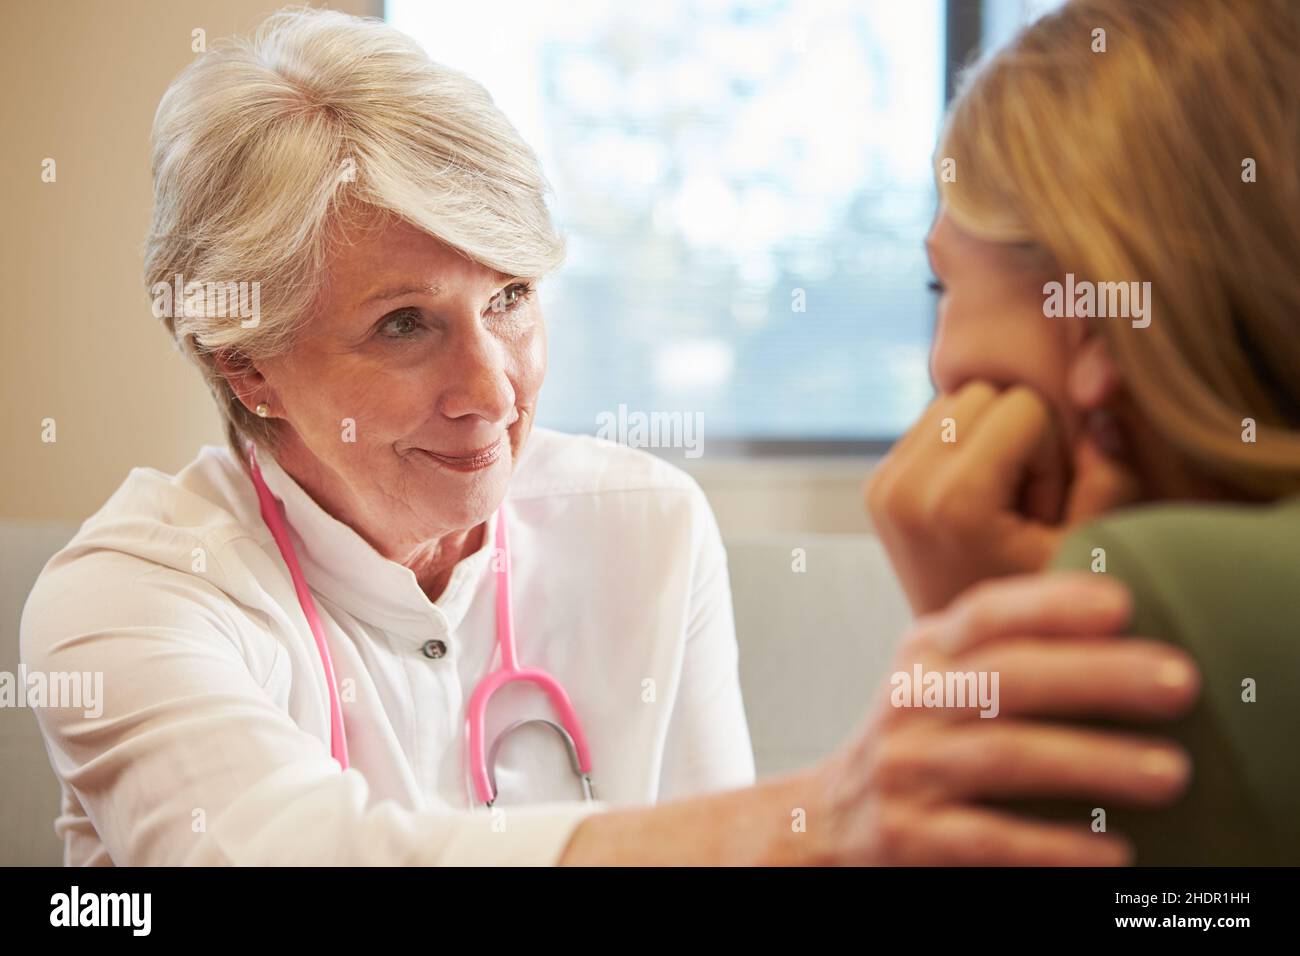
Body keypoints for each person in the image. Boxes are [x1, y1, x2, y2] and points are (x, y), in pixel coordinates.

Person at [21, 7, 1195, 866]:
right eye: (402, 325)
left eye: (512, 299)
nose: (493, 389)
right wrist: (820, 819)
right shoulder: (133, 592)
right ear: (246, 365)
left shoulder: (642, 521)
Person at [867, 0, 1300, 863]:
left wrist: (992, 655)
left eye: (942, 289)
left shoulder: (1153, 594)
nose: (940, 367)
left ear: (1095, 319)